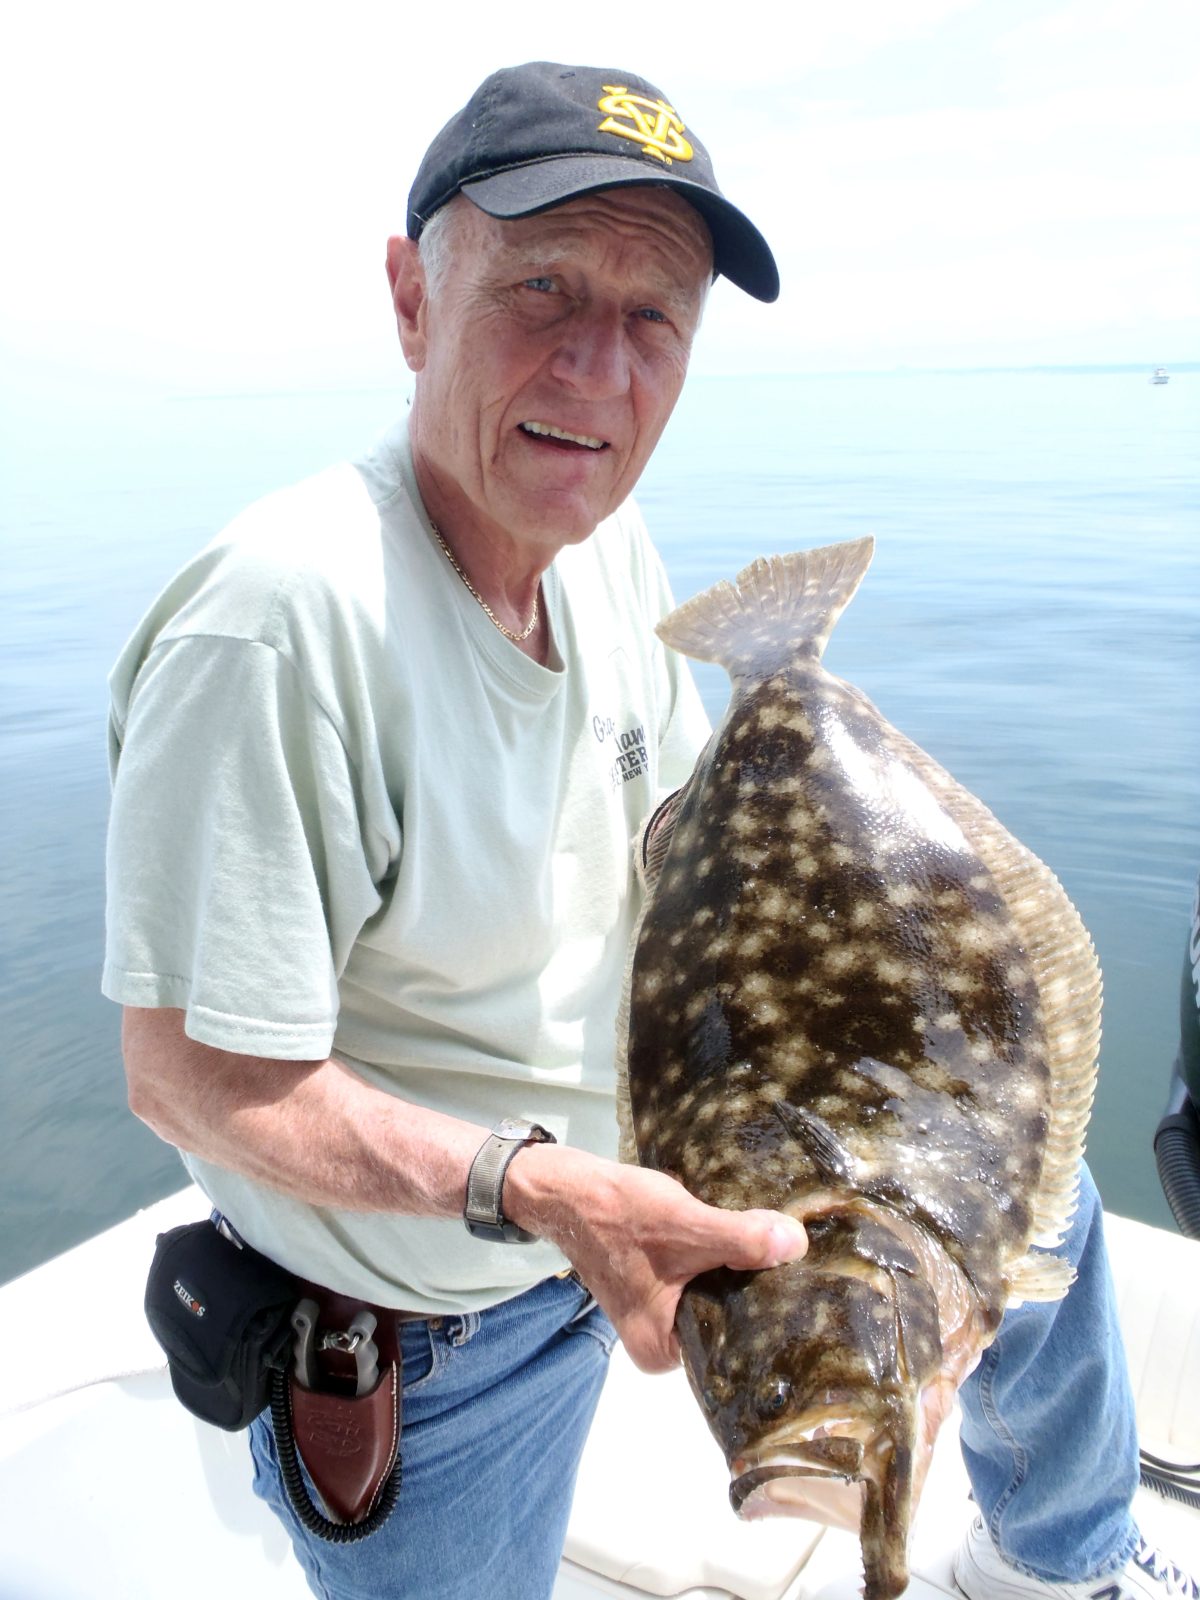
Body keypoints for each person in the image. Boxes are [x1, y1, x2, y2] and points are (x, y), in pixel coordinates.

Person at [103, 60, 1195, 1600]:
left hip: (657, 1177)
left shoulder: (602, 546)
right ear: (412, 298)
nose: (598, 366)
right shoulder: (281, 629)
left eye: (654, 316)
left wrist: (831, 793)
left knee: (1024, 1177)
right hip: (444, 1333)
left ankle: (1056, 1555)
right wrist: (548, 1191)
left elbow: (680, 836)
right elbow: (191, 1079)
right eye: (542, 286)